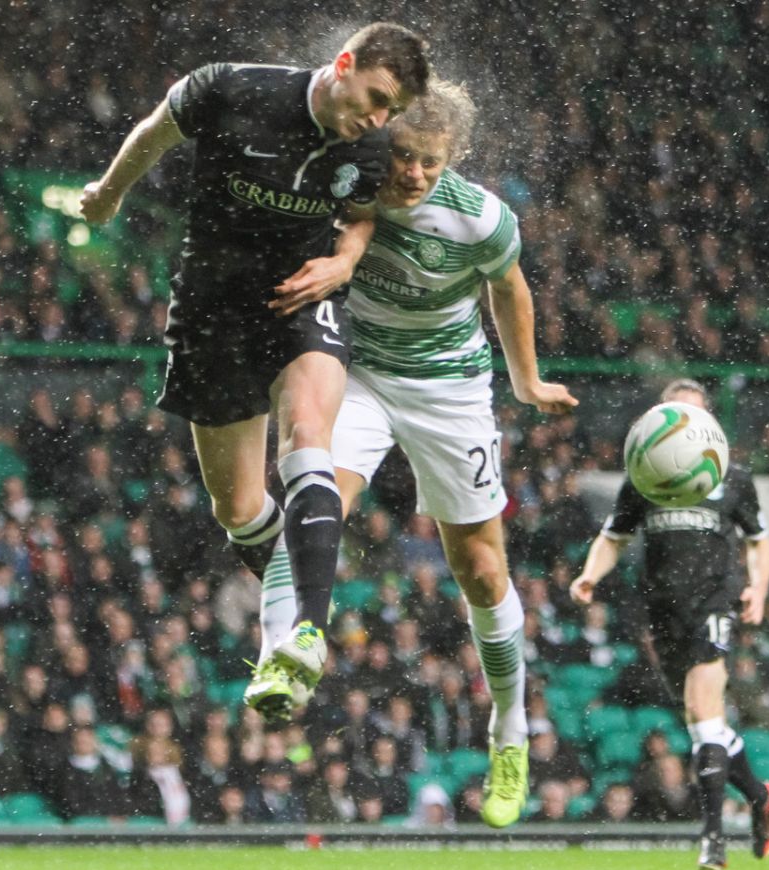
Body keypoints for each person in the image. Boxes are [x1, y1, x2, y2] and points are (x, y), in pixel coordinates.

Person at [247, 81, 577, 828]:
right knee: (313, 494)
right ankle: (283, 653)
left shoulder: (482, 218)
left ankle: (510, 731)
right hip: (359, 373)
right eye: (404, 156)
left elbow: (511, 290)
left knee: (483, 569)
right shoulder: (347, 177)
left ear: (452, 158)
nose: (415, 174)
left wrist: (525, 379)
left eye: (431, 162)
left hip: (450, 390)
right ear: (381, 142)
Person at [80, 24, 431, 703]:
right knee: (237, 506)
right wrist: (109, 192)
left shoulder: (372, 144)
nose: (380, 119)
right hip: (213, 308)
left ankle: (301, 633)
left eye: (392, 112)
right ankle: (289, 607)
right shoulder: (229, 87)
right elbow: (153, 133)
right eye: (378, 98)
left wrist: (345, 259)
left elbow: (361, 214)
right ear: (344, 62)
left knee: (307, 435)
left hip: (303, 298)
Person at [570, 378, 769, 870]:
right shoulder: (645, 474)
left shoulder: (731, 476)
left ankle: (712, 840)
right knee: (704, 724)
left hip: (714, 598)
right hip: (663, 609)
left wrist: (758, 586)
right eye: (672, 414)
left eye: (692, 415)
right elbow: (613, 537)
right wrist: (588, 575)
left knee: (705, 715)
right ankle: (759, 795)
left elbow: (759, 539)